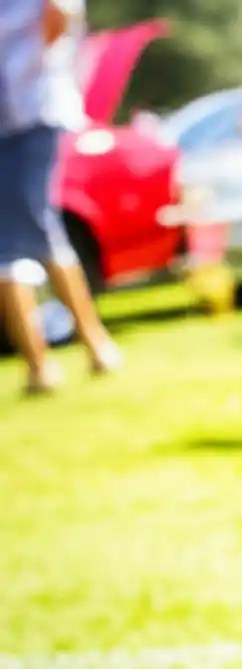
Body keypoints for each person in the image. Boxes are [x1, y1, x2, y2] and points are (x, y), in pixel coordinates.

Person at [0, 0, 121, 395]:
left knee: (36, 222)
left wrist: (29, 63)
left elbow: (60, 12)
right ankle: (39, 364)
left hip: (34, 111)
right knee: (6, 241)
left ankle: (92, 341)